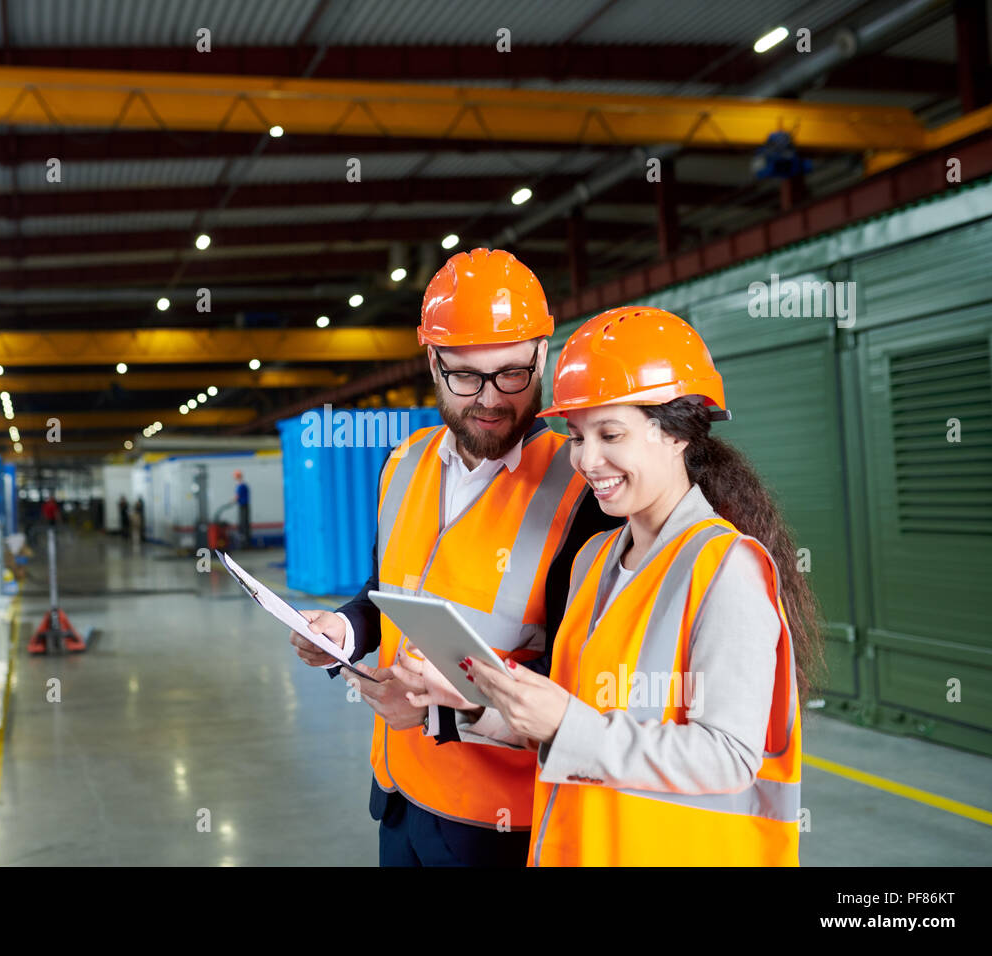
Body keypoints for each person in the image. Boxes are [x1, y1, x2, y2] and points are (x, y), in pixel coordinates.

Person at [403, 306, 822, 866]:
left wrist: (566, 723)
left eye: (611, 434)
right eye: (577, 436)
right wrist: (473, 710)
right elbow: (577, 723)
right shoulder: (594, 560)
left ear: (677, 434)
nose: (587, 460)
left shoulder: (727, 570)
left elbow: (727, 756)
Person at [288, 248, 620, 867]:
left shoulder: (585, 494)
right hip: (398, 794)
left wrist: (444, 705)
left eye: (511, 374)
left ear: (543, 356)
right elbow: (384, 589)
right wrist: (345, 628)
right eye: (465, 376)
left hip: (499, 823)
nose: (490, 399)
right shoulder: (405, 463)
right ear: (433, 363)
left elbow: (587, 680)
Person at [234, 470, 251, 549]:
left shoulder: (242, 485)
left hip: (244, 506)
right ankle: (243, 542)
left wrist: (234, 500)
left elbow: (237, 496)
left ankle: (245, 544)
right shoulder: (239, 485)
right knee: (242, 524)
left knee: (244, 524)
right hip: (242, 506)